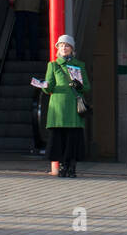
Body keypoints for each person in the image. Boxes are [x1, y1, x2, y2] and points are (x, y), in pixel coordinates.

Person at [35, 34, 91, 177]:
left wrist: (80, 85)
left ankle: (71, 167)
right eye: (61, 45)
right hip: (58, 107)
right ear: (58, 49)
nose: (64, 48)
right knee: (59, 138)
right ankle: (62, 167)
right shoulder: (53, 65)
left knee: (73, 138)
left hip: (73, 106)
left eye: (67, 46)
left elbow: (87, 87)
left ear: (72, 49)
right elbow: (49, 88)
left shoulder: (80, 65)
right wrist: (44, 86)